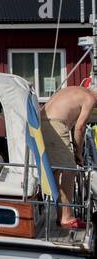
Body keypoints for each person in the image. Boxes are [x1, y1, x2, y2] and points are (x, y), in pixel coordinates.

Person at [42, 84, 97, 228]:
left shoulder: (76, 90)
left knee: (55, 171)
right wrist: (78, 153)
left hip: (43, 120)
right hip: (54, 124)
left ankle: (61, 215)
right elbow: (80, 127)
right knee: (69, 170)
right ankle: (66, 217)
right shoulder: (89, 98)